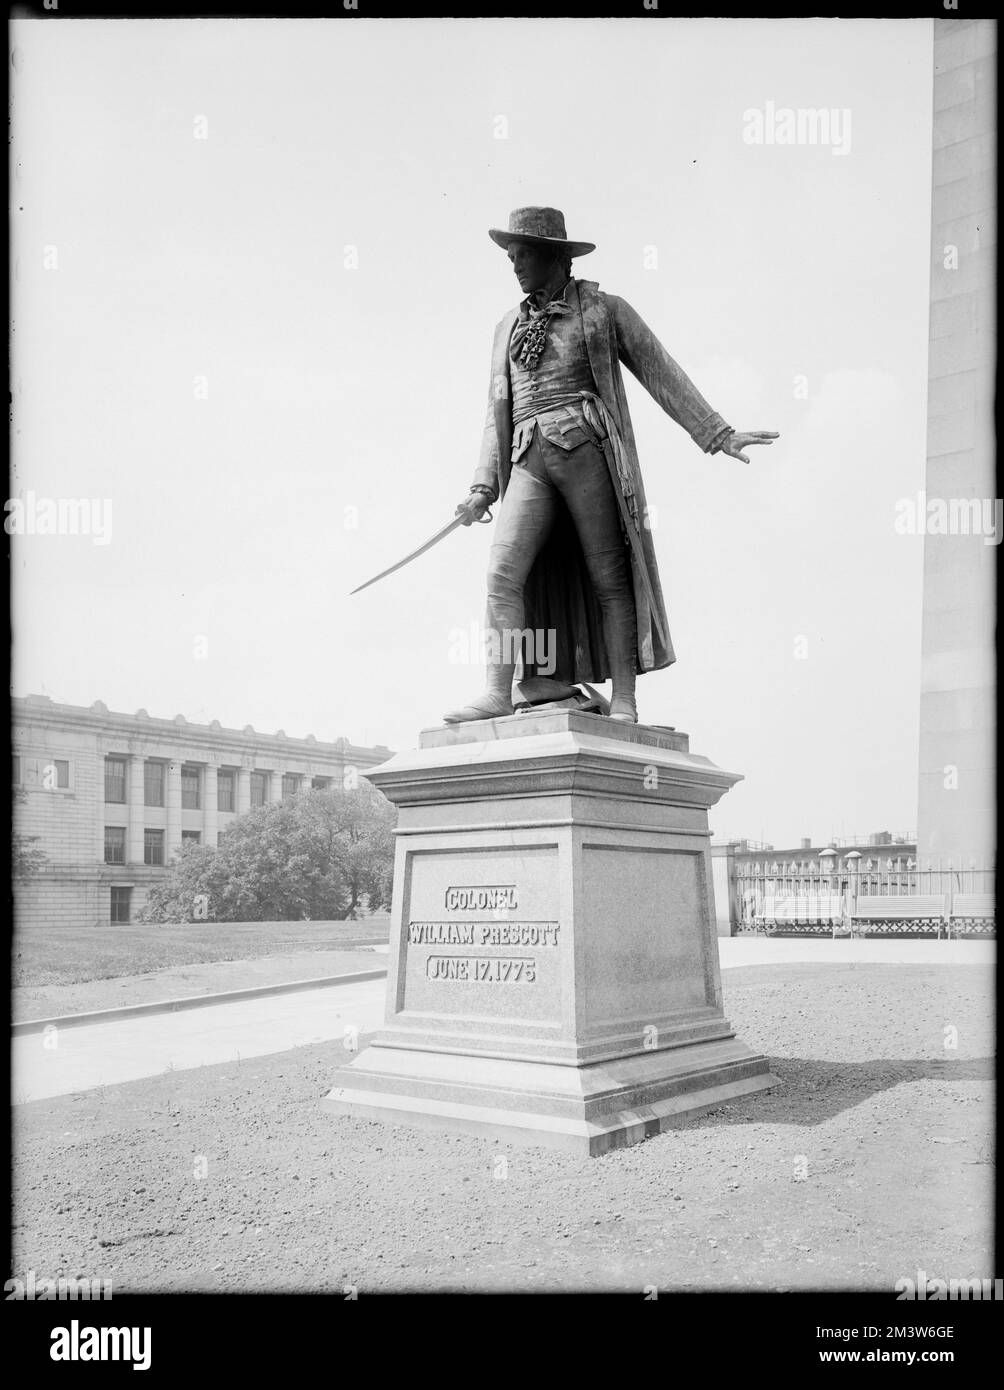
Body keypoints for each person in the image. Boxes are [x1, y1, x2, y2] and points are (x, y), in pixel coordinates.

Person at [444, 206, 778, 725]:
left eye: (524, 253)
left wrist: (716, 432)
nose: (515, 264)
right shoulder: (506, 326)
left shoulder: (603, 310)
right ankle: (496, 690)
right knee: (502, 573)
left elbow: (658, 368)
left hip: (587, 447)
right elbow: (496, 412)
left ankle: (624, 698)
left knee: (610, 573)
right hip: (528, 456)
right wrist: (483, 486)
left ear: (556, 255)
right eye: (511, 255)